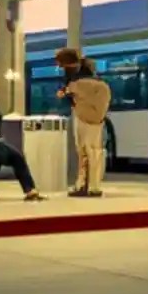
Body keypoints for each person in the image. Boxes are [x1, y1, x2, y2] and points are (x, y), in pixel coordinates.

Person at [55, 48, 111, 197]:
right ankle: (94, 185)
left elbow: (70, 90)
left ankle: (84, 185)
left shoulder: (77, 79)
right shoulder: (95, 77)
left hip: (82, 113)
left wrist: (64, 92)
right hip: (97, 115)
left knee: (84, 151)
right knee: (95, 149)